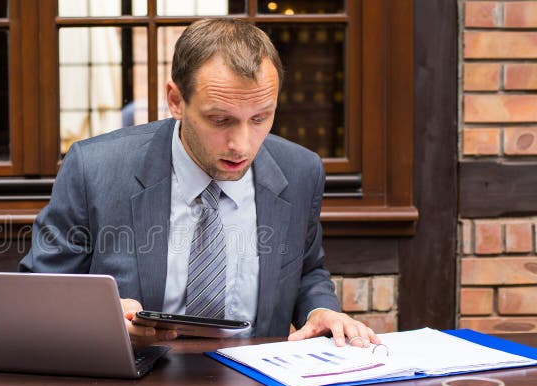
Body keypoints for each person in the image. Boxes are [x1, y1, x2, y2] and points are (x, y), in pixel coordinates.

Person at [20, 18, 379, 348]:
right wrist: (100, 318)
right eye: (221, 120)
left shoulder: (301, 171)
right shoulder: (94, 169)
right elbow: (38, 295)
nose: (243, 144)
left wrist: (320, 312)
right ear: (176, 100)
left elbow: (305, 271)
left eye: (260, 118)